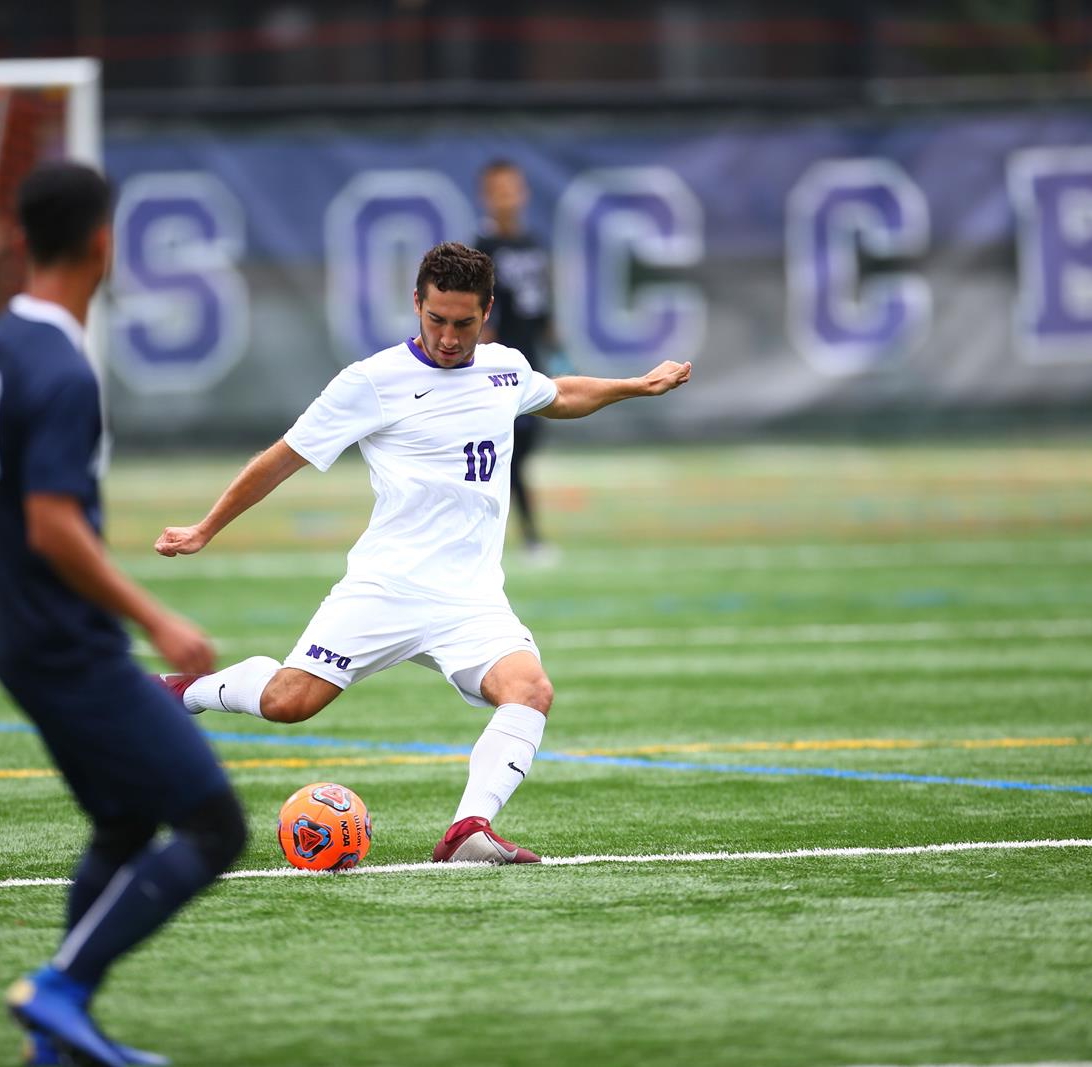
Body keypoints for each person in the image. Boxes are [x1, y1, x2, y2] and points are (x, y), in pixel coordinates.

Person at [154, 241, 690, 865]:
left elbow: (558, 395)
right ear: (416, 303)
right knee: (286, 703)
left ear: (486, 312)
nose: (448, 337)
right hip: (386, 587)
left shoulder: (504, 368)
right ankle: (184, 692)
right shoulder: (371, 381)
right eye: (436, 319)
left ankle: (468, 831)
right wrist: (205, 528)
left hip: (471, 599)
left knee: (530, 689)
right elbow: (283, 457)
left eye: (464, 323)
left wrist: (635, 385)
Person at [0, 161, 246, 1067]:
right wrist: (156, 620)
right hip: (69, 646)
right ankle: (59, 991)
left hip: (17, 633)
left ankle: (57, 1042)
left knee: (124, 823)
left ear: (20, 239)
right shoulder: (63, 370)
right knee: (214, 824)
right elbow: (51, 523)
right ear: (103, 244)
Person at [475, 159, 557, 561]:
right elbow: (477, 312)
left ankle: (522, 535)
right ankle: (528, 536)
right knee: (505, 452)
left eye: (512, 188)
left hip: (532, 361)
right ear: (486, 197)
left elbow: (541, 307)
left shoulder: (532, 244)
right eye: (498, 189)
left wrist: (557, 351)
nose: (507, 197)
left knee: (518, 450)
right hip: (498, 367)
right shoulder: (482, 248)